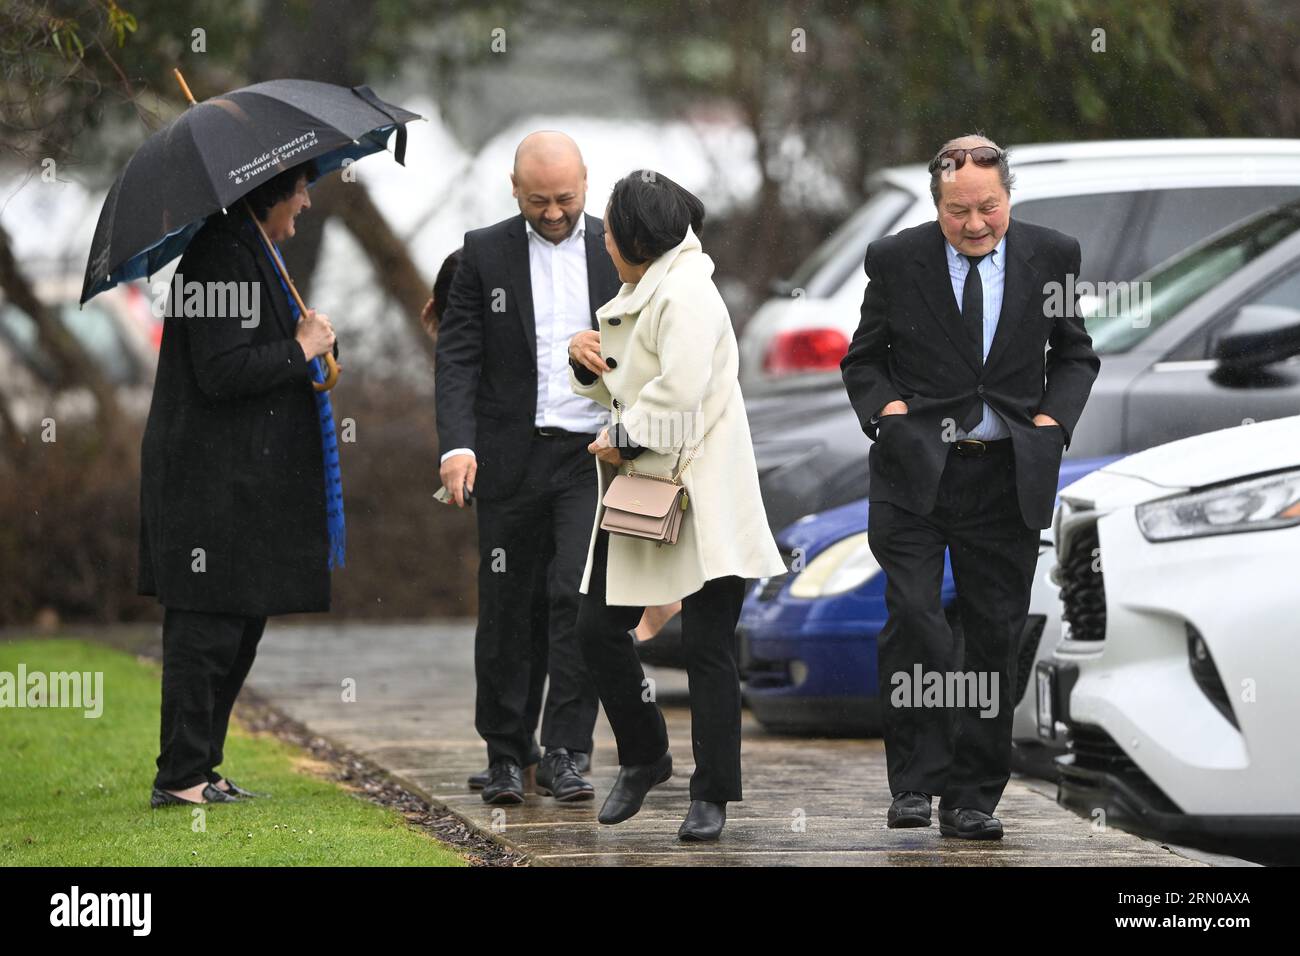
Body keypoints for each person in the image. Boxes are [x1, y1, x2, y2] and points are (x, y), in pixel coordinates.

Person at [840, 133, 1099, 839]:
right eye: (959, 212)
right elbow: (865, 361)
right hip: (914, 475)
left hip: (1006, 473)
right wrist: (888, 416)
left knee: (993, 636)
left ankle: (972, 797)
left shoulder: (1054, 256)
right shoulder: (897, 259)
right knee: (918, 620)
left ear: (1007, 195)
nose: (976, 224)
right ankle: (914, 784)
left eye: (989, 207)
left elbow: (1076, 354)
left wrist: (1049, 424)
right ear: (937, 205)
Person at [569, 170, 787, 842]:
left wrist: (623, 435)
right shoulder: (647, 285)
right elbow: (636, 383)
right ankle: (645, 754)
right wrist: (587, 367)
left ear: (634, 237)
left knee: (708, 646)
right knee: (596, 628)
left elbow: (683, 392)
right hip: (646, 489)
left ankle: (712, 793)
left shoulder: (687, 292)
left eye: (607, 231)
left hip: (704, 493)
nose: (602, 242)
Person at [139, 158, 341, 808]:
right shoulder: (220, 254)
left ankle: (204, 766)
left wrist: (303, 344)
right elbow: (221, 371)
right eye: (303, 189)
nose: (306, 204)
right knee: (205, 630)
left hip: (245, 485)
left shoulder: (250, 249)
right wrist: (300, 348)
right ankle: (180, 777)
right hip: (208, 484)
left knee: (240, 625)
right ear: (274, 190)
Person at [435, 131, 623, 804]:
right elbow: (457, 355)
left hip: (589, 458)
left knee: (578, 600)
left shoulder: (615, 247)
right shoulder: (483, 252)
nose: (552, 212)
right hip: (508, 459)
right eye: (538, 199)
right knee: (507, 609)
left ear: (586, 185)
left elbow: (652, 349)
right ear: (514, 189)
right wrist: (457, 446)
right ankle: (508, 754)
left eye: (565, 198)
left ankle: (569, 752)